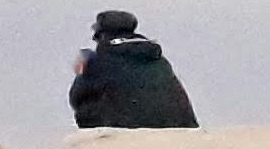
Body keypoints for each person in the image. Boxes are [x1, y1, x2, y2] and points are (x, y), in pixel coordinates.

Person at [67, 10, 199, 130]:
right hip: (180, 126)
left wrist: (83, 71)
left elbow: (77, 98)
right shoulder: (157, 59)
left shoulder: (98, 61)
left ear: (102, 35)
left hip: (128, 127)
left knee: (88, 108)